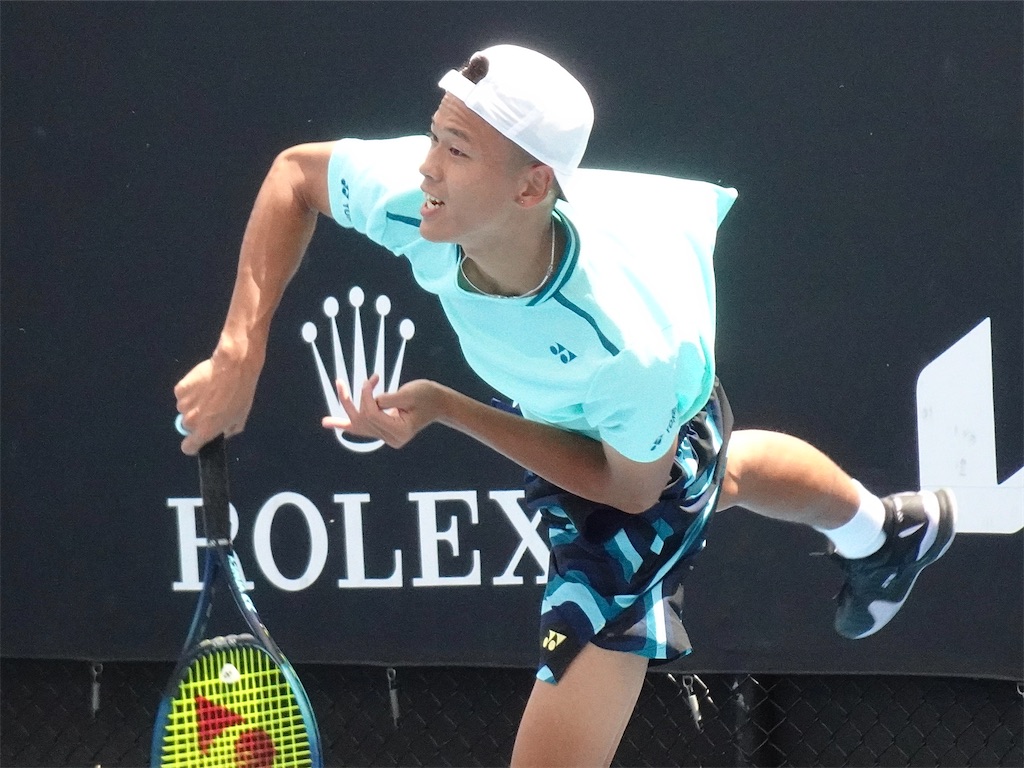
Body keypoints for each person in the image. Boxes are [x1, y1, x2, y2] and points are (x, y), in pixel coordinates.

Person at [174, 44, 957, 766]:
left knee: (667, 506)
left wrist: (449, 407)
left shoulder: (628, 342)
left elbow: (628, 490)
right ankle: (884, 531)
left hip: (642, 451)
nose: (426, 169)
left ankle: (874, 531)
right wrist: (241, 349)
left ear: (531, 184)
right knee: (723, 473)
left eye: (456, 150)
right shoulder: (421, 202)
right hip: (615, 415)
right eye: (434, 136)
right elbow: (295, 178)